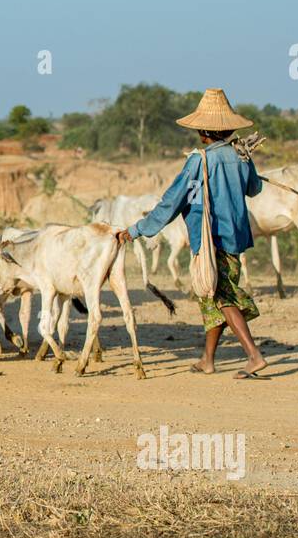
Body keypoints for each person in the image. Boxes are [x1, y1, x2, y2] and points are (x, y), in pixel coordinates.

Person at [115, 89, 269, 379]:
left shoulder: (199, 161)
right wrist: (246, 163)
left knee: (222, 297)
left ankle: (254, 355)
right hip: (235, 238)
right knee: (211, 297)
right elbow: (254, 189)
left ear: (203, 130)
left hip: (211, 240)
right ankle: (207, 359)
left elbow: (172, 201)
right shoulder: (241, 155)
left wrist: (137, 230)